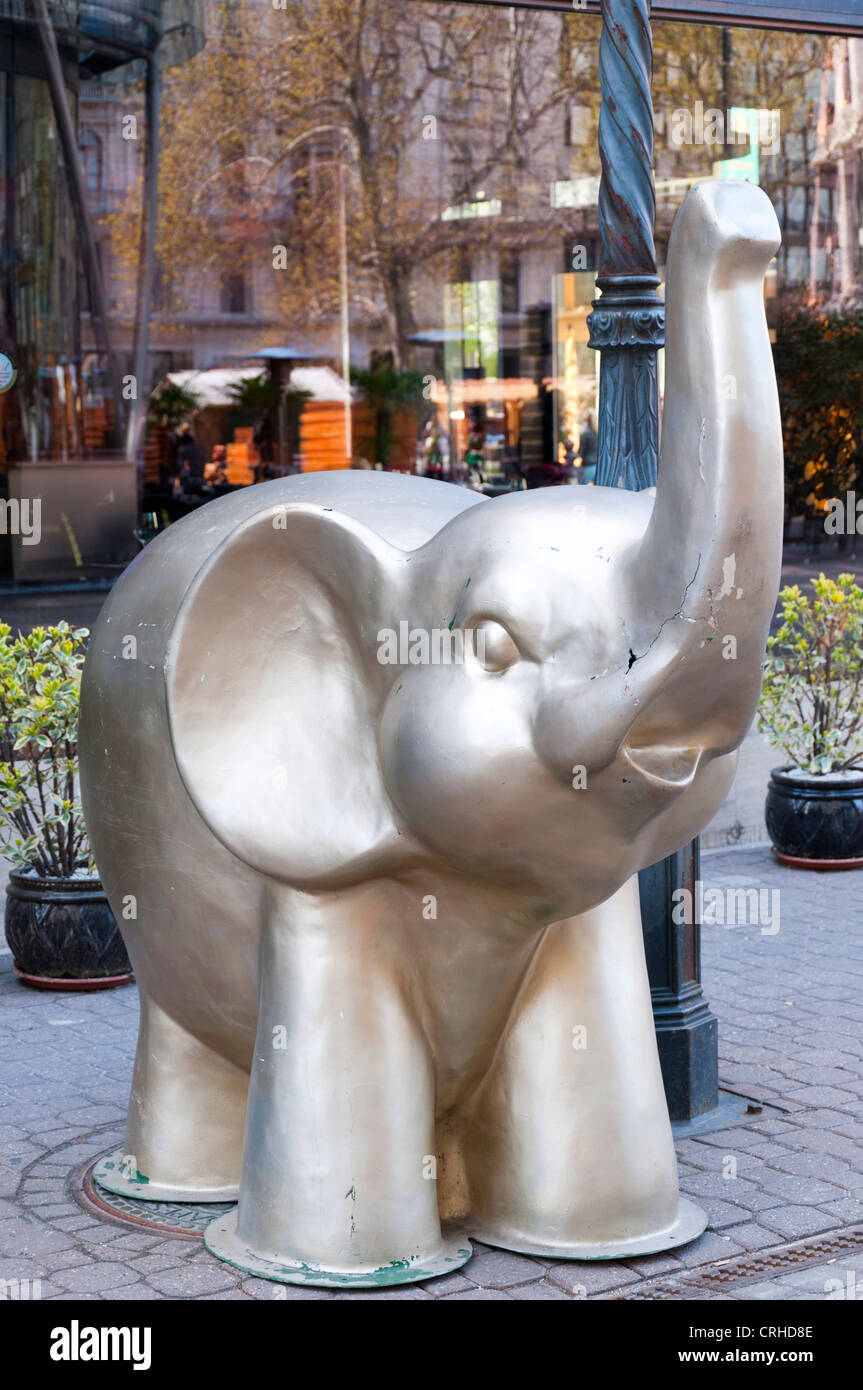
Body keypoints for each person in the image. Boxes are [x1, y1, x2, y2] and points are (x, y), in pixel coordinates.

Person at [176, 422, 205, 491]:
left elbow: (181, 463)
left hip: (191, 477)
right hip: (195, 476)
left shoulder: (184, 449)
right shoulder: (195, 449)